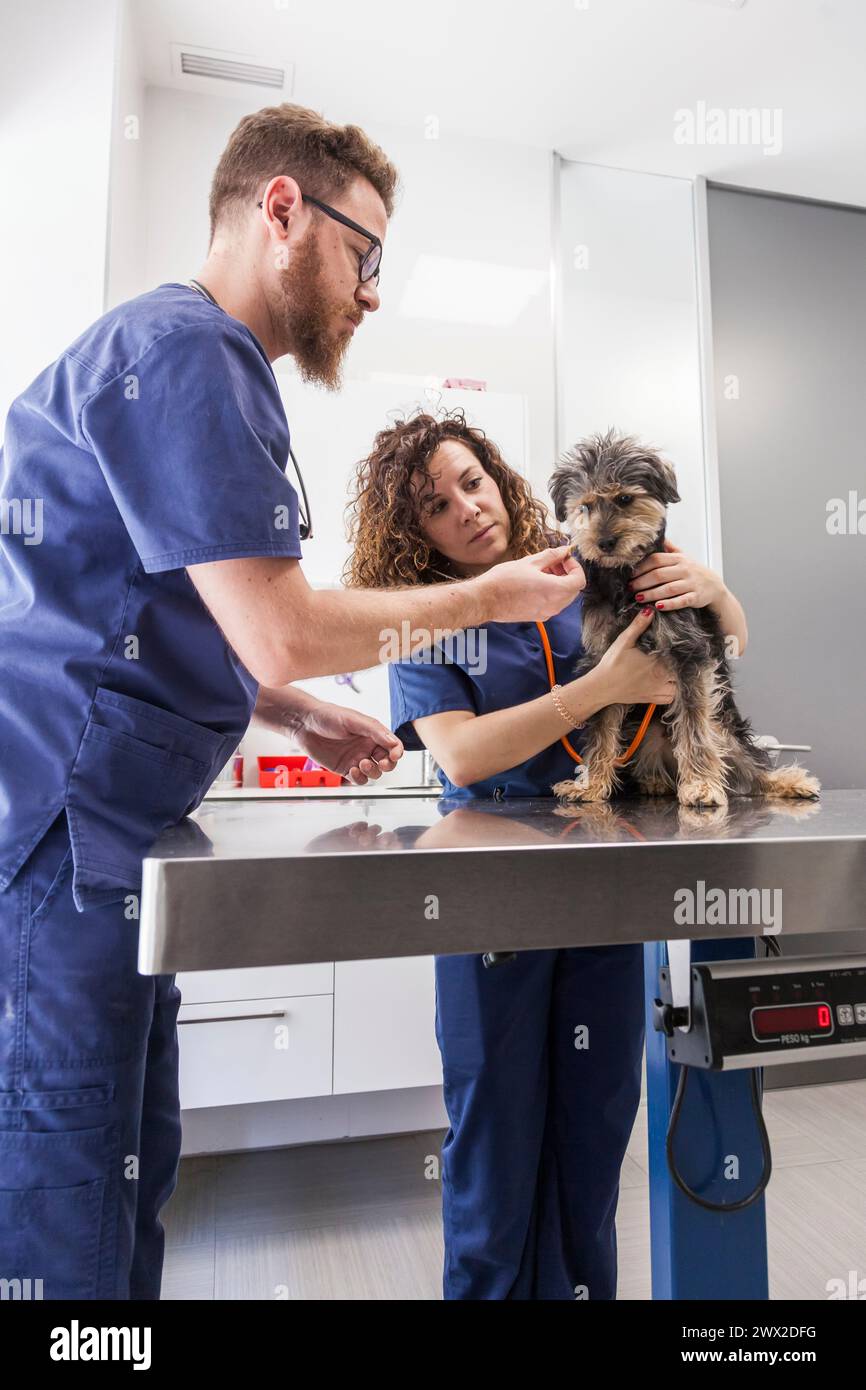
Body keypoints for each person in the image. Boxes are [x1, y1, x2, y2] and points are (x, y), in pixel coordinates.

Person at [0, 104, 585, 1300]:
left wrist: (283, 710)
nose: (372, 291)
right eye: (365, 254)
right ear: (282, 210)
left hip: (102, 850)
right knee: (68, 1222)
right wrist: (480, 597)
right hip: (59, 849)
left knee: (125, 1172)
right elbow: (275, 619)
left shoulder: (205, 367)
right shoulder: (188, 351)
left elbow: (160, 611)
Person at [345, 410, 750, 1299]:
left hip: (598, 877)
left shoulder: (577, 570)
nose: (467, 509)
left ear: (499, 475)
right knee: (496, 1132)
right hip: (489, 889)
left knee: (596, 1123)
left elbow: (723, 647)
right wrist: (598, 690)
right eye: (435, 505)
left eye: (472, 481)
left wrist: (717, 593)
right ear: (411, 531)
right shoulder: (425, 622)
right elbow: (462, 755)